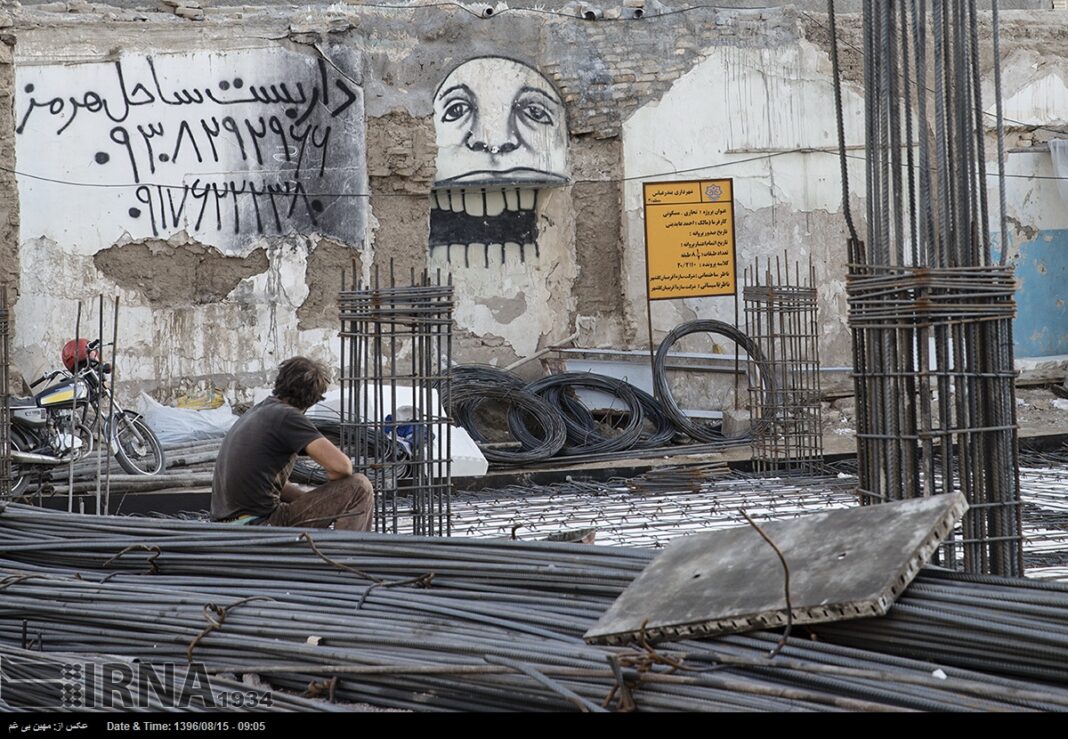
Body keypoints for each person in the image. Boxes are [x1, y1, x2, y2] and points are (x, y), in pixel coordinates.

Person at [211, 356, 374, 531]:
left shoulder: (258, 411)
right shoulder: (287, 416)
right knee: (359, 487)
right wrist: (335, 488)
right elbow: (342, 467)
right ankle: (345, 556)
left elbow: (268, 487)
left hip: (228, 524)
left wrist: (316, 500)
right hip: (262, 524)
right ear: (313, 399)